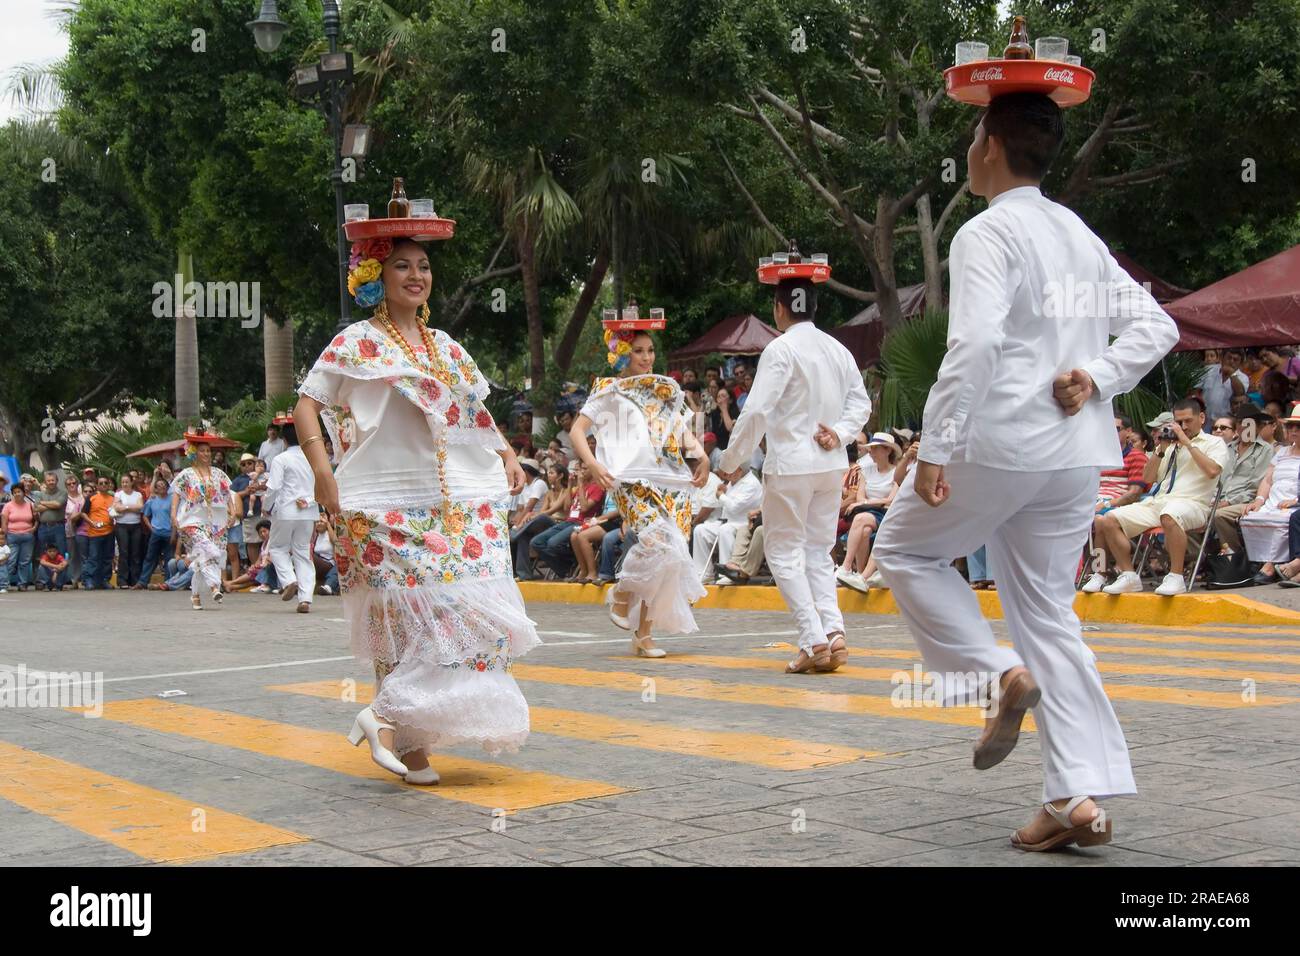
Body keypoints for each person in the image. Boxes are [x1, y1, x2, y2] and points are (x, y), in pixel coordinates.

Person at [872, 92, 1180, 851]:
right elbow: (1158, 325)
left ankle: (995, 676)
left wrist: (935, 446)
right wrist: (1099, 376)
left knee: (905, 551)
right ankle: (1077, 800)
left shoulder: (989, 231)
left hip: (1001, 442)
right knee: (1051, 616)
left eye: (976, 134)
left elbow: (972, 348)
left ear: (989, 147)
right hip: (1075, 454)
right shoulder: (1078, 233)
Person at [295, 235, 537, 785]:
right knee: (399, 622)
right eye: (401, 265)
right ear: (376, 277)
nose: (416, 275)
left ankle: (383, 717)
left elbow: (473, 412)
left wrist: (505, 452)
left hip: (459, 500)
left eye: (423, 266)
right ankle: (411, 748)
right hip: (380, 500)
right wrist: (322, 471)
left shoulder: (447, 347)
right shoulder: (356, 342)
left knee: (478, 615)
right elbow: (306, 406)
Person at [718, 274, 872, 674]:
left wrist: (732, 459)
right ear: (814, 307)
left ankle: (813, 639)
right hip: (830, 463)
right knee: (818, 552)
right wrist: (838, 433)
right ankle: (833, 633)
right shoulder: (837, 349)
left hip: (789, 465)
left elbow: (756, 412)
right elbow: (861, 403)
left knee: (784, 552)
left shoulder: (780, 349)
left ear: (779, 308)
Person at [571, 324, 711, 656]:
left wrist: (701, 454)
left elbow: (679, 429)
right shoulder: (609, 390)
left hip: (670, 478)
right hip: (629, 479)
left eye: (650, 350)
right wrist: (593, 464)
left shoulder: (664, 390)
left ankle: (644, 634)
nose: (647, 357)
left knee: (670, 555)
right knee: (659, 542)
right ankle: (621, 595)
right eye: (638, 351)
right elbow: (579, 431)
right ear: (622, 353)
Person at [1086, 399, 1228, 596]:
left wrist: (1186, 442)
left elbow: (1213, 470)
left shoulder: (1214, 443)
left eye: (1188, 421)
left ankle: (1176, 577)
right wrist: (1160, 449)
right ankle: (1128, 574)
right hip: (1159, 502)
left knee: (1170, 514)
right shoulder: (1170, 447)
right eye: (1179, 422)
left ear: (1202, 418)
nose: (1183, 426)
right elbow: (1147, 479)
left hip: (1194, 503)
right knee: (1108, 519)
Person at [170, 431, 239, 610]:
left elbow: (226, 495)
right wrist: (173, 514)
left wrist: (232, 511)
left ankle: (195, 595)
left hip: (216, 520)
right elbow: (177, 495)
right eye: (202, 451)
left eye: (208, 451)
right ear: (194, 452)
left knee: (204, 555)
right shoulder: (186, 474)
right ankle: (215, 585)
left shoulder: (218, 474)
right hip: (191, 519)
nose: (206, 454)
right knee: (210, 550)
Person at [1237, 404, 1300, 583]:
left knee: (1287, 518)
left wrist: (1295, 500)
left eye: (1299, 427)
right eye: (1291, 427)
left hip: (1293, 501)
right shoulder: (1281, 453)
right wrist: (1258, 500)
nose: (1294, 430)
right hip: (1273, 500)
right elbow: (1267, 479)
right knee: (1251, 516)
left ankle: (1270, 566)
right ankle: (1256, 562)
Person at [263, 418, 320, 613]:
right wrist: (311, 501)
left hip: (286, 511)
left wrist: (266, 506)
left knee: (278, 548)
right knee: (303, 553)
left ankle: (289, 580)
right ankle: (305, 599)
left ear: (284, 441)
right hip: (308, 512)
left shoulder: (281, 459)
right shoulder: (313, 458)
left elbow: (274, 487)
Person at [835, 432, 901, 592]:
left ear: (887, 450)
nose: (871, 452)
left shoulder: (897, 472)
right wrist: (866, 502)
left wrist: (867, 502)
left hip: (884, 513)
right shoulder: (867, 470)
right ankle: (861, 574)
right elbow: (859, 495)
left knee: (860, 519)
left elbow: (890, 500)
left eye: (875, 449)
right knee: (864, 529)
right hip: (867, 511)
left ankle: (846, 567)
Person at [1209, 412, 1276, 559]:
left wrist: (1227, 502)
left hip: (1245, 502)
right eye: (1241, 423)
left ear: (1257, 427)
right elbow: (1217, 480)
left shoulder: (1265, 449)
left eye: (1249, 424)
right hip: (1219, 499)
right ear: (1236, 428)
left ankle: (1235, 559)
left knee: (1219, 515)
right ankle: (1201, 560)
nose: (1245, 428)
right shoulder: (1228, 448)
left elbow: (1255, 486)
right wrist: (1213, 499)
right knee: (1189, 513)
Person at [692, 467, 763, 583]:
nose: (726, 473)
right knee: (700, 530)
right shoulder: (732, 482)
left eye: (730, 470)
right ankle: (704, 573)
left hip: (743, 524)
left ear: (740, 470)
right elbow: (724, 506)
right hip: (727, 521)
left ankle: (728, 574)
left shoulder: (752, 483)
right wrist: (724, 492)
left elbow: (734, 507)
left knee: (725, 530)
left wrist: (721, 495)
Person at [137, 478, 175, 587]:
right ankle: (143, 582)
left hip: (168, 533)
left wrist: (174, 533)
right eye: (158, 485)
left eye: (163, 484)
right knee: (150, 557)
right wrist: (151, 528)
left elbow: (175, 517)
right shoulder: (152, 500)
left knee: (169, 559)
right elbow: (145, 515)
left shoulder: (172, 499)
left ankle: (169, 582)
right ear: (156, 489)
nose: (161, 487)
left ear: (167, 487)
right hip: (156, 533)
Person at [80, 475, 116, 590]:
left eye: (106, 483)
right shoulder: (91, 497)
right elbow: (83, 513)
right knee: (93, 558)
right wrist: (91, 523)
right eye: (101, 483)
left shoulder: (113, 498)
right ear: (97, 486)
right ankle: (89, 580)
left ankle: (105, 580)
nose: (104, 485)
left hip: (109, 532)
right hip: (95, 533)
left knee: (107, 558)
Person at [1, 483, 37, 591]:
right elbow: (4, 522)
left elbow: (36, 519)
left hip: (27, 536)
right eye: (15, 492)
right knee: (11, 560)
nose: (17, 494)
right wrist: (4, 537)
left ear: (24, 493)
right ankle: (4, 583)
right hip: (12, 536)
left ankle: (22, 584)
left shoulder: (30, 505)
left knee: (25, 562)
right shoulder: (8, 506)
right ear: (12, 494)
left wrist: (34, 528)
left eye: (19, 492)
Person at [1199, 349, 1248, 426]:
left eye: (1235, 360)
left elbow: (1240, 393)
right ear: (1222, 357)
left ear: (1240, 363)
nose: (1231, 361)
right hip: (1206, 420)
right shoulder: (1209, 370)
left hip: (1227, 422)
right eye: (1229, 358)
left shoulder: (1243, 378)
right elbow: (1195, 391)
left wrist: (1231, 374)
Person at [112, 474, 145, 588]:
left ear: (131, 482)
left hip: (135, 526)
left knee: (135, 553)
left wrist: (125, 507)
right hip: (122, 526)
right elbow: (116, 507)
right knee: (124, 552)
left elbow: (140, 507)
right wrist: (131, 507)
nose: (125, 484)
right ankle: (123, 580)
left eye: (127, 482)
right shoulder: (118, 494)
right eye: (123, 482)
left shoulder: (138, 494)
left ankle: (135, 579)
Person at [31, 471, 68, 571]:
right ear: (45, 482)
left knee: (60, 552)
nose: (51, 482)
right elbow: (37, 508)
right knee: (42, 553)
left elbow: (58, 505)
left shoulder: (63, 493)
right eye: (48, 480)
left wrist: (43, 503)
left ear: (57, 481)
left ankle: (59, 580)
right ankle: (43, 580)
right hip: (43, 527)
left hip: (58, 527)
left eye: (53, 480)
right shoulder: (39, 494)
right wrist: (52, 505)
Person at [63, 475, 88, 588]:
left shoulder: (83, 497)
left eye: (74, 483)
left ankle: (85, 578)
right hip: (69, 529)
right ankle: (74, 579)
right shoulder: (64, 498)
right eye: (69, 484)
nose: (72, 485)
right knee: (72, 555)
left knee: (84, 555)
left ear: (78, 484)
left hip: (83, 529)